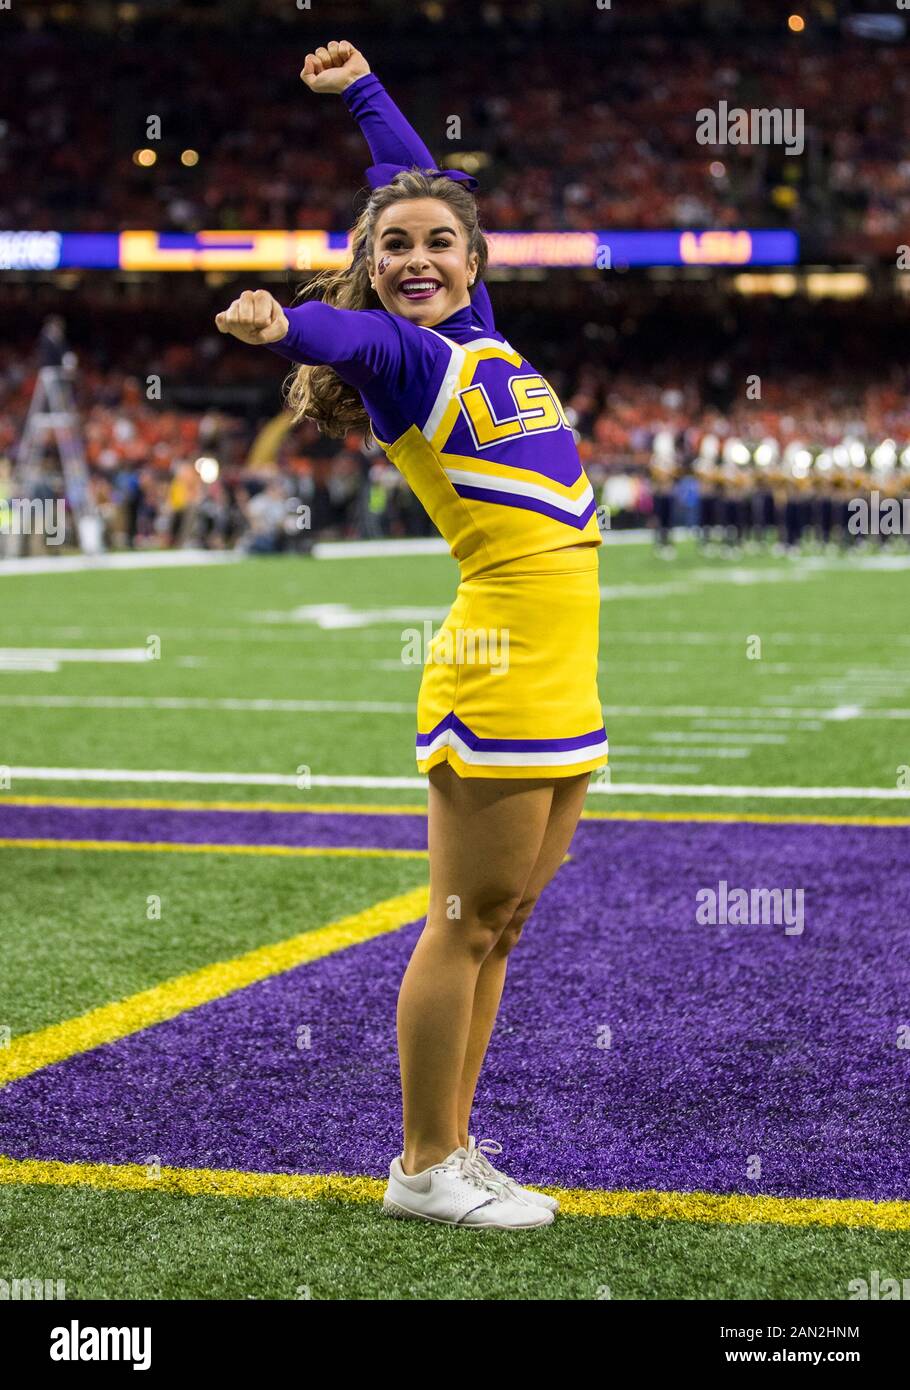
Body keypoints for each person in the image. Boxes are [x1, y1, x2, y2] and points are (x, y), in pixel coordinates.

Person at [216, 40, 608, 1230]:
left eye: (440, 243)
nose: (418, 258)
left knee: (504, 922)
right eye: (395, 248)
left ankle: (451, 1145)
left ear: (476, 264)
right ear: (369, 270)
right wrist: (280, 323)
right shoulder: (393, 350)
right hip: (494, 660)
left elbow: (412, 178)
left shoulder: (473, 328)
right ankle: (422, 1164)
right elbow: (332, 340)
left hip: (561, 669)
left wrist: (362, 95)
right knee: (461, 920)